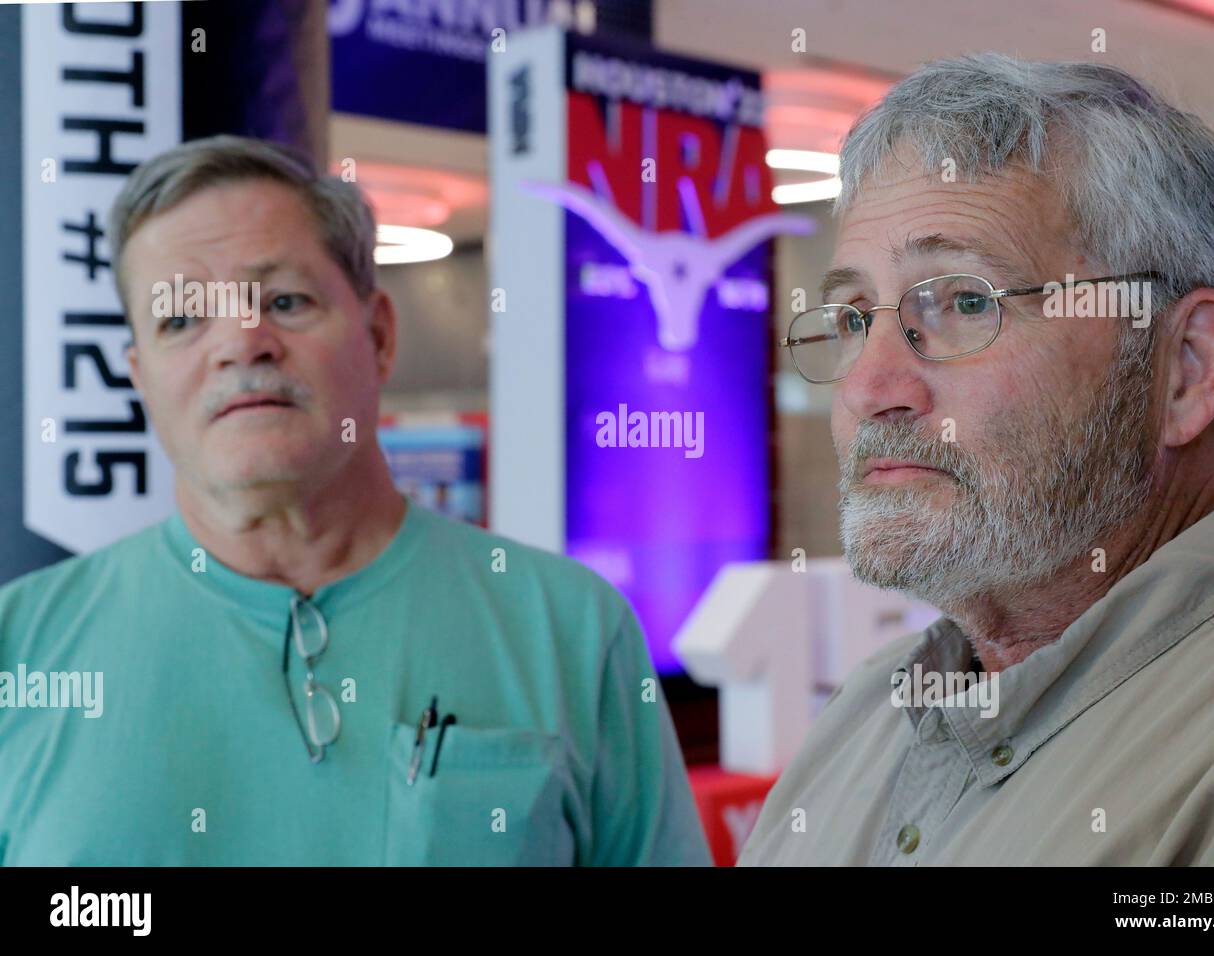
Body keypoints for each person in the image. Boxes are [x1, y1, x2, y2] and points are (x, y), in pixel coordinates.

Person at [0, 134, 709, 866]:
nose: (244, 341)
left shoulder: (572, 628)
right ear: (141, 378)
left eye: (284, 300)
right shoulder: (19, 647)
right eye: (182, 319)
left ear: (378, 335)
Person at [741, 53, 1214, 865]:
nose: (870, 387)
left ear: (1183, 369)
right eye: (855, 317)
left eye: (965, 302)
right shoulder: (865, 711)